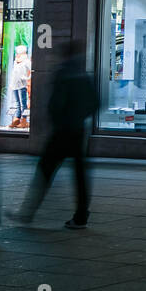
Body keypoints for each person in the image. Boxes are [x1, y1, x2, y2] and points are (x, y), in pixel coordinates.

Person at [15, 43, 100, 229]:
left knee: (45, 169)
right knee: (79, 173)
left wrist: (58, 119)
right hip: (77, 130)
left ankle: (28, 211)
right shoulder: (82, 74)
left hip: (62, 131)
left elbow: (55, 103)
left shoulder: (63, 73)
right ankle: (81, 216)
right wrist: (79, 117)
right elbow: (94, 101)